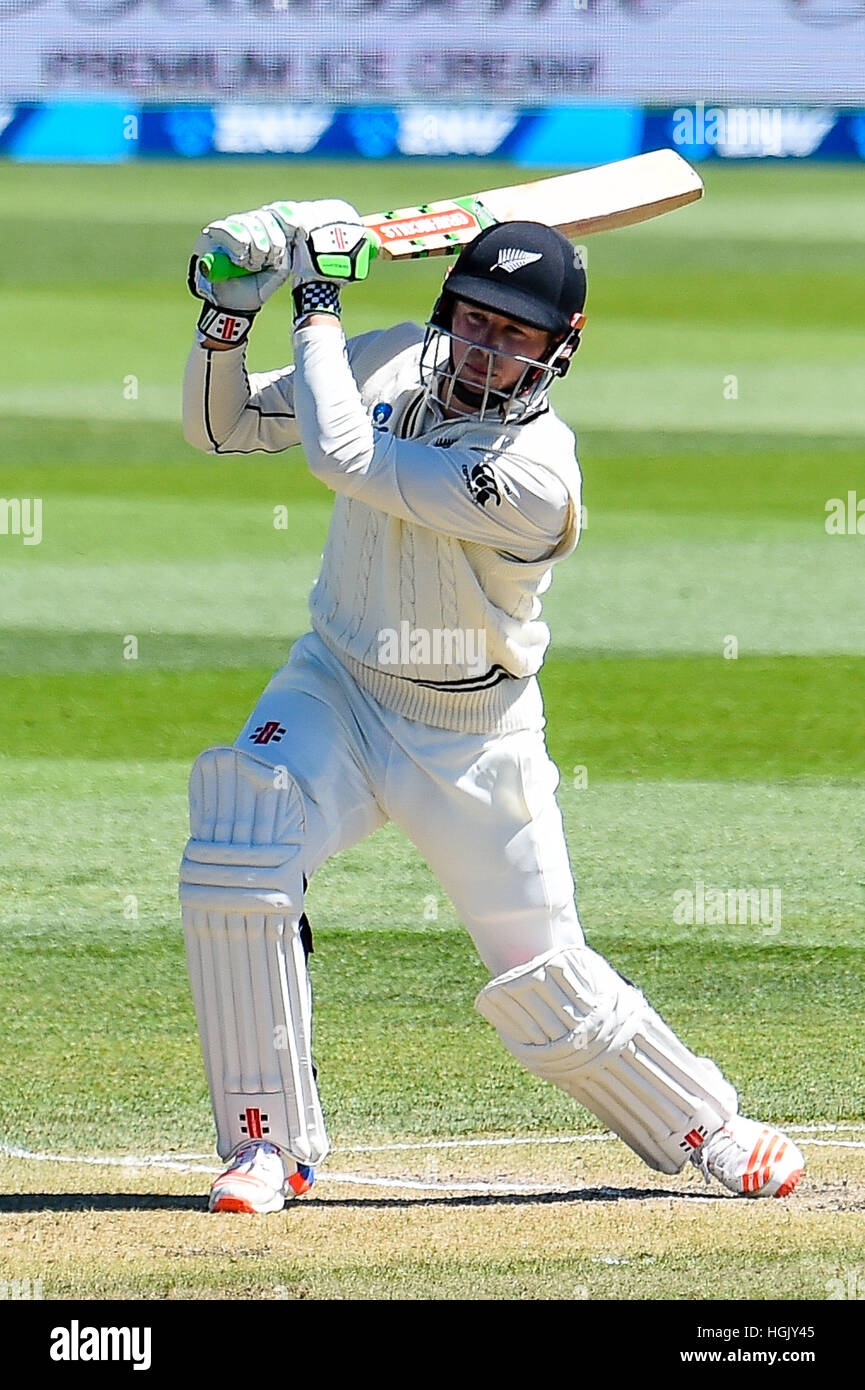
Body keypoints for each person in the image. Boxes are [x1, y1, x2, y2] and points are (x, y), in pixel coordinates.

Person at [180, 198, 804, 1214]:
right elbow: (223, 425)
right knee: (235, 837)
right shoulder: (384, 362)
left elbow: (345, 458)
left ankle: (709, 1125)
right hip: (337, 684)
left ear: (560, 349)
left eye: (513, 334)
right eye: (472, 317)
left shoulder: (532, 475)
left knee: (542, 979)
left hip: (469, 738)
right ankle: (266, 1145)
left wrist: (316, 292)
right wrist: (223, 315)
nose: (484, 347)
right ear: (446, 308)